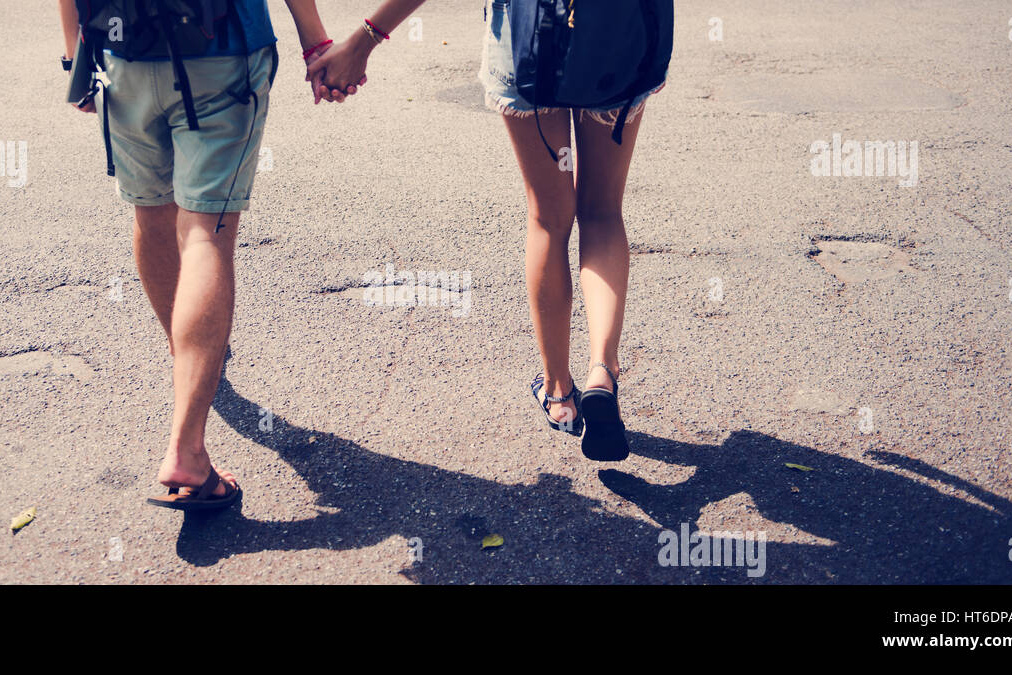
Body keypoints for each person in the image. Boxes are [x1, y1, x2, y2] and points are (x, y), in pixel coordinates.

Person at [310, 1, 663, 461]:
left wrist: (364, 40)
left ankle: (559, 394)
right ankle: (602, 371)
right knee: (600, 213)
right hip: (620, 35)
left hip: (529, 37)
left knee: (548, 218)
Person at [57, 0, 353, 510]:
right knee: (205, 234)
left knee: (151, 215)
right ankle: (186, 450)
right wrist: (316, 44)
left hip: (120, 51)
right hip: (223, 53)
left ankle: (189, 360)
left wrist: (75, 58)